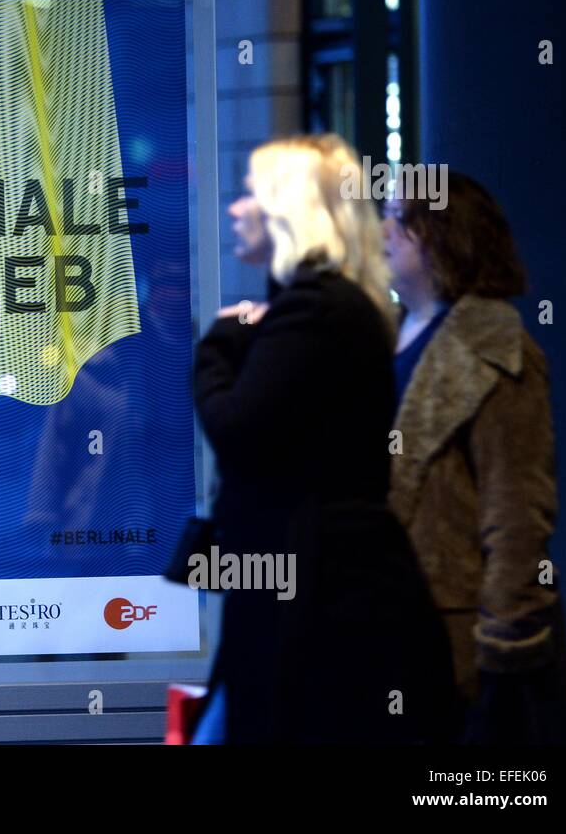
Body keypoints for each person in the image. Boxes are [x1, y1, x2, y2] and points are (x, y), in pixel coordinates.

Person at [190, 134, 456, 743]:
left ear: (288, 208)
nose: (236, 208)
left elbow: (237, 427)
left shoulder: (315, 309)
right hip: (308, 589)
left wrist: (219, 346)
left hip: (315, 604)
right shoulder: (328, 306)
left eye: (251, 193)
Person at [383, 172, 566, 742]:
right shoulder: (388, 334)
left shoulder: (494, 345)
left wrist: (506, 640)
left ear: (447, 232)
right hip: (393, 623)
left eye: (402, 216)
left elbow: (517, 508)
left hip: (459, 637)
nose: (385, 229)